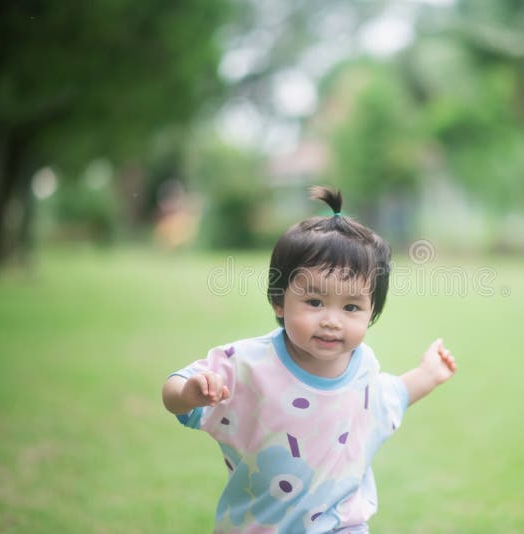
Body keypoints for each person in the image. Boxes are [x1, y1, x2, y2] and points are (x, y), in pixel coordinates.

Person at [162, 186, 457, 533]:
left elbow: (388, 397)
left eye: (351, 308)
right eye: (314, 302)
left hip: (341, 524)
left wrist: (428, 374)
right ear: (278, 300)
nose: (332, 320)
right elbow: (174, 395)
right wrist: (191, 391)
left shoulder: (363, 368)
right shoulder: (247, 363)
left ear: (371, 312)